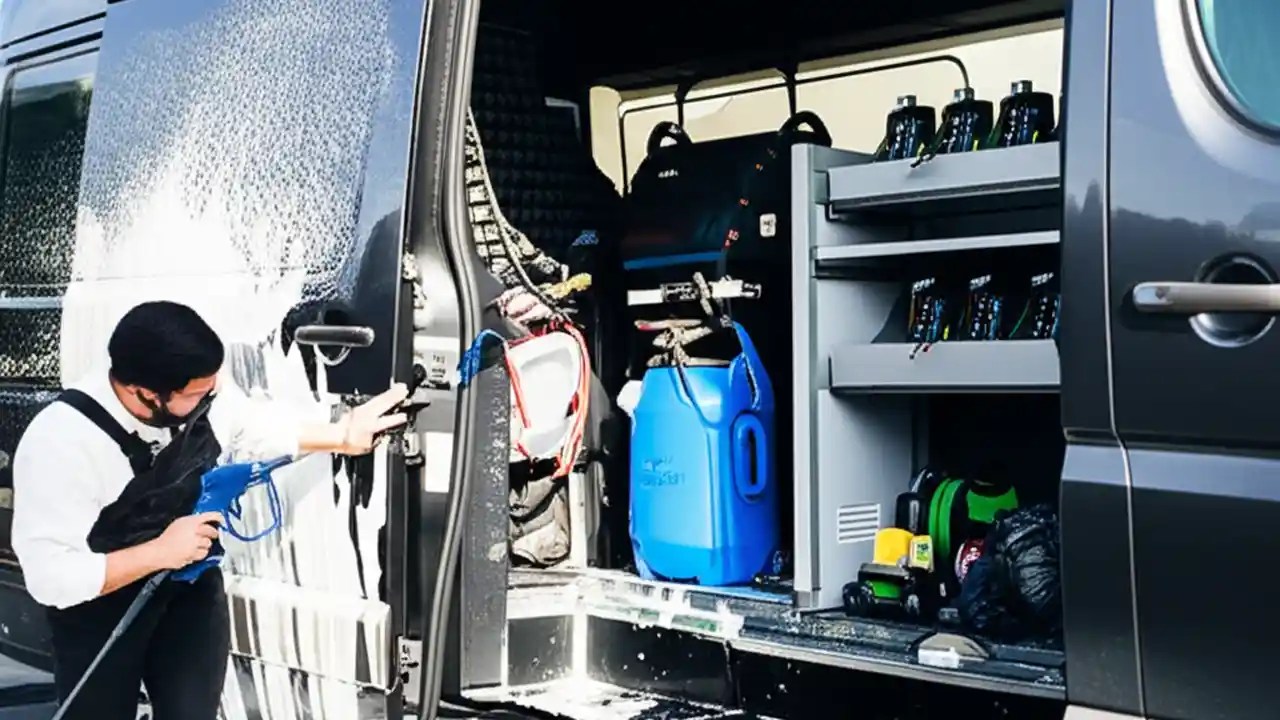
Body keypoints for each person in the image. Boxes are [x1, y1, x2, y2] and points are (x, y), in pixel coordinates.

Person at [9, 300, 410, 719]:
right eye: (198, 393)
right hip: (98, 606)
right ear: (144, 394)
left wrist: (342, 435)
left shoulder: (199, 390)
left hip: (188, 588)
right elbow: (51, 578)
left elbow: (247, 427)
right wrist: (160, 552)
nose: (211, 396)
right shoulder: (61, 442)